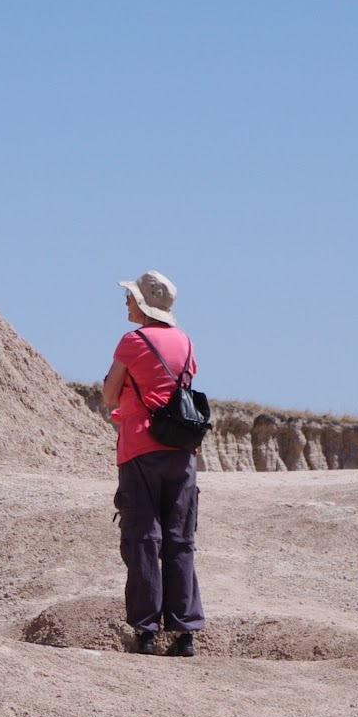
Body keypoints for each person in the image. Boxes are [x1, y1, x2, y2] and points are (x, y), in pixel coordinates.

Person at [100, 270, 205, 657]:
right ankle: (185, 633)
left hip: (140, 448)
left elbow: (110, 393)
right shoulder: (186, 342)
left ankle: (145, 632)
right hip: (182, 451)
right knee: (180, 540)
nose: (126, 302)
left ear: (143, 304)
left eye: (130, 297)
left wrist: (123, 405)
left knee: (144, 537)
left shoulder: (133, 341)